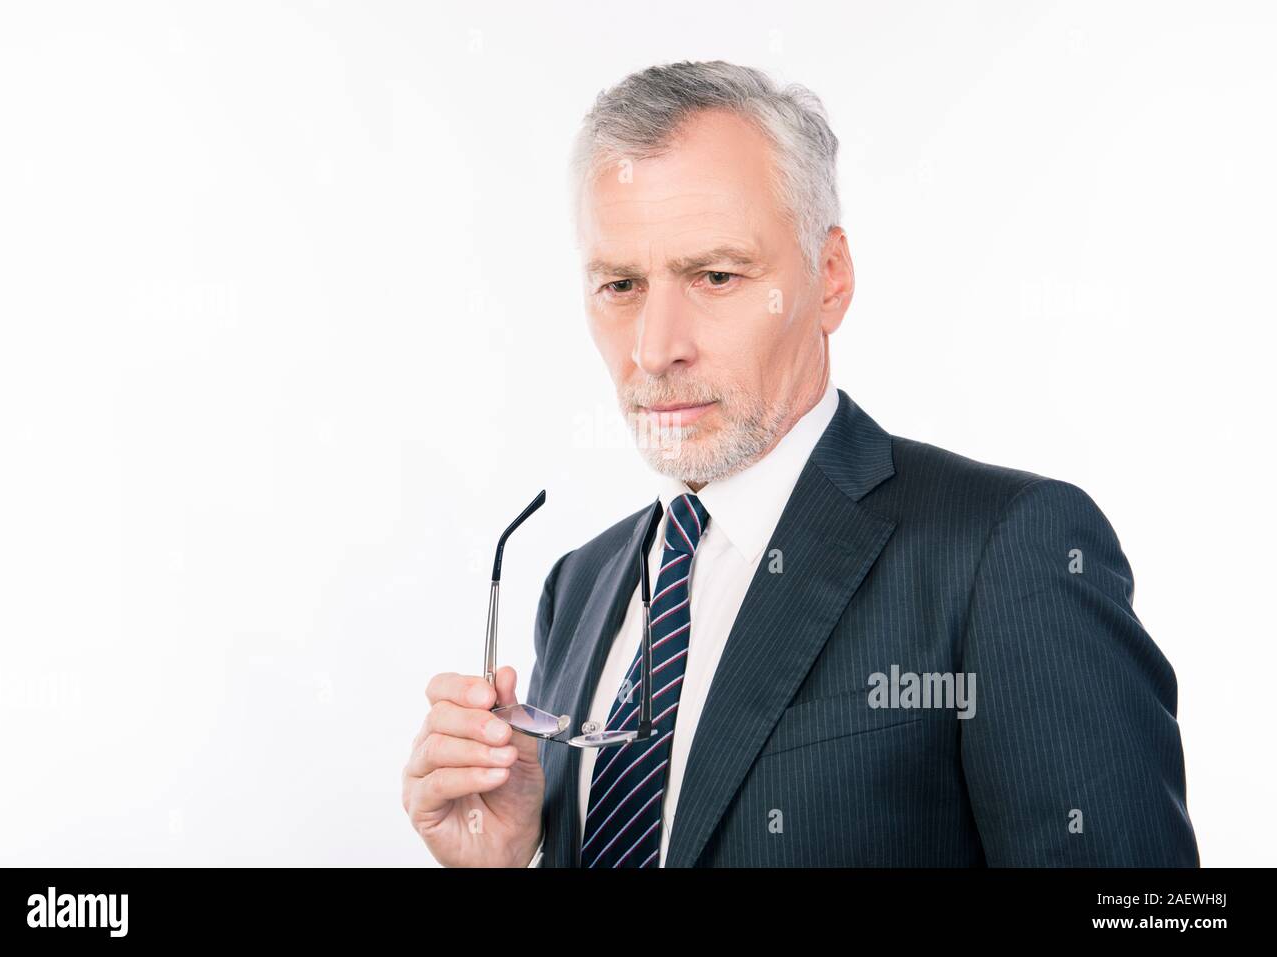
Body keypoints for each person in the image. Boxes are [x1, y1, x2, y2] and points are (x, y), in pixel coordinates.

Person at [402, 60, 1198, 868]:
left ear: (830, 278)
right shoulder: (580, 584)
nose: (654, 348)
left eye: (716, 275)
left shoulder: (1004, 551)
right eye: (620, 284)